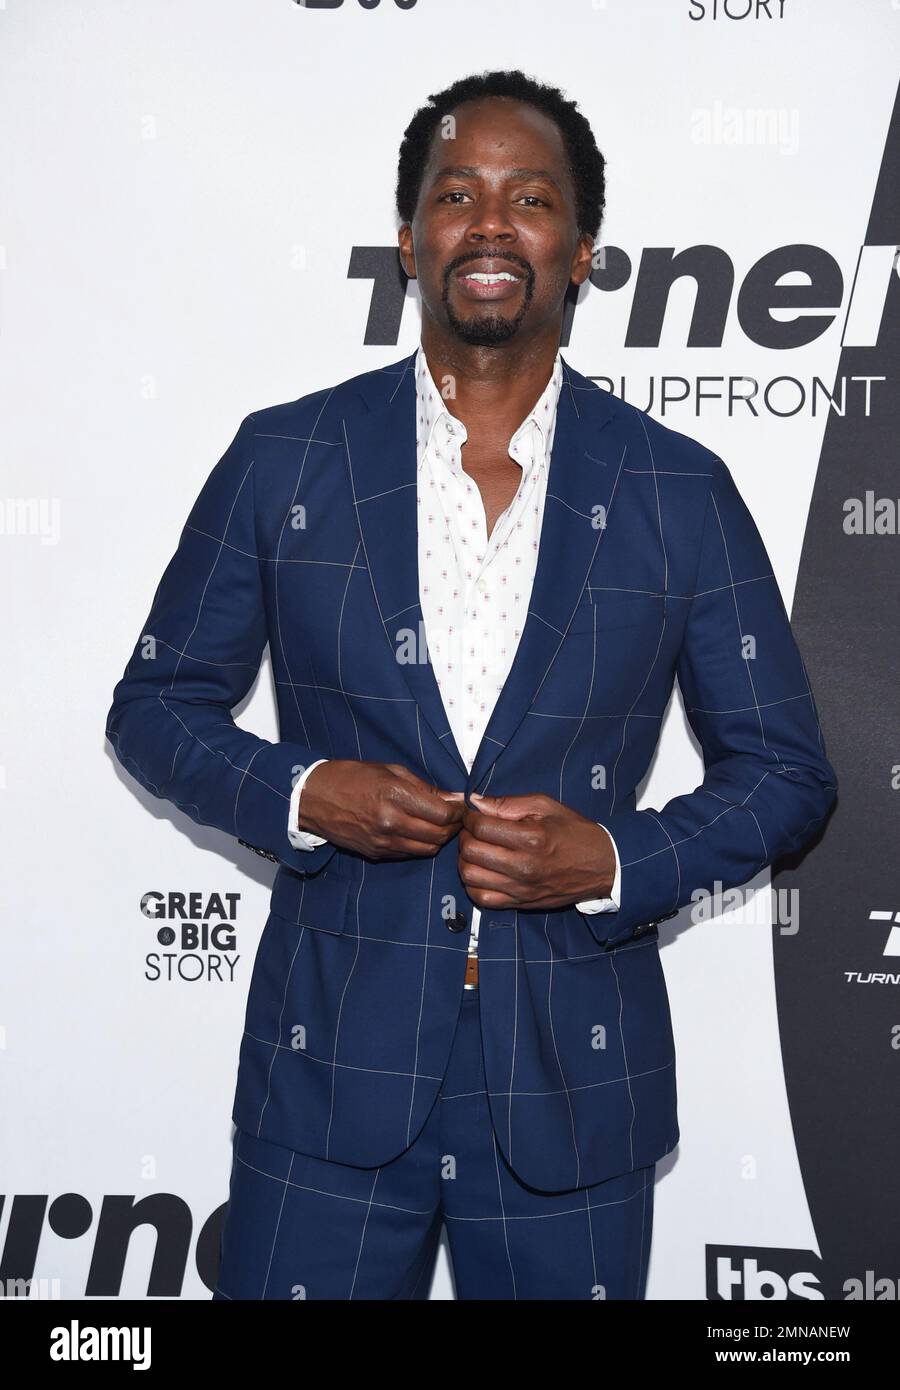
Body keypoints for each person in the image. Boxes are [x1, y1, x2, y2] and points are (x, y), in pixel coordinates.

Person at [105, 69, 837, 1300]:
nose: (490, 223)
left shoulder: (677, 490)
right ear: (406, 240)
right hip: (327, 1071)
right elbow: (153, 705)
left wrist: (612, 860)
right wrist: (303, 790)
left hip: (572, 1088)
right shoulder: (286, 454)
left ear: (585, 253)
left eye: (531, 198)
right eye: (457, 193)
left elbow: (787, 772)